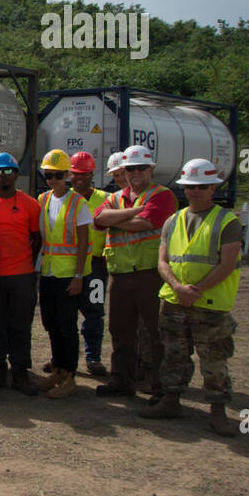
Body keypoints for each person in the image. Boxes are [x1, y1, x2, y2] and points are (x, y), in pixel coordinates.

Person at [144, 159, 242, 436]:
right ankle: (170, 401)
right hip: (175, 302)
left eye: (201, 186)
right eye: (190, 186)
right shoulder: (173, 221)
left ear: (213, 187)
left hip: (210, 306)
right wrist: (177, 288)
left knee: (213, 359)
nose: (195, 191)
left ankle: (218, 411)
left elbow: (227, 265)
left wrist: (193, 291)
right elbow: (162, 261)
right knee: (173, 355)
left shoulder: (227, 222)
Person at [92, 145, 176, 400]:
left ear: (151, 169)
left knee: (155, 332)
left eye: (141, 168)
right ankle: (122, 380)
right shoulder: (117, 197)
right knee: (120, 330)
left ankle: (161, 386)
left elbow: (147, 223)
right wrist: (133, 211)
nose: (135, 173)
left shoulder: (163, 194)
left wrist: (116, 220)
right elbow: (98, 219)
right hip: (119, 273)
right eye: (130, 169)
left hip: (150, 272)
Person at [0, 152, 41, 396]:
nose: (2, 176)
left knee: (21, 326)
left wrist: (25, 266)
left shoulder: (30, 204)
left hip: (22, 276)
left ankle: (21, 373)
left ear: (16, 174)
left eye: (7, 172)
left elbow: (36, 239)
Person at [32, 149, 93, 399]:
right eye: (48, 175)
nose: (52, 179)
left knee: (67, 326)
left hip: (69, 275)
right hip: (48, 271)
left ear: (67, 175)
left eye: (57, 175)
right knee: (51, 323)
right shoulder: (43, 199)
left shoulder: (79, 203)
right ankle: (57, 369)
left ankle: (69, 375)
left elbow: (83, 242)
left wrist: (79, 276)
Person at [69, 151, 110, 377]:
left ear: (92, 174)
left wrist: (106, 255)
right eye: (76, 174)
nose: (80, 178)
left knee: (94, 312)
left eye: (84, 174)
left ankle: (93, 357)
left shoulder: (106, 200)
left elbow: (113, 231)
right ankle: (63, 358)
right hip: (68, 265)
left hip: (95, 267)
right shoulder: (64, 198)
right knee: (66, 313)